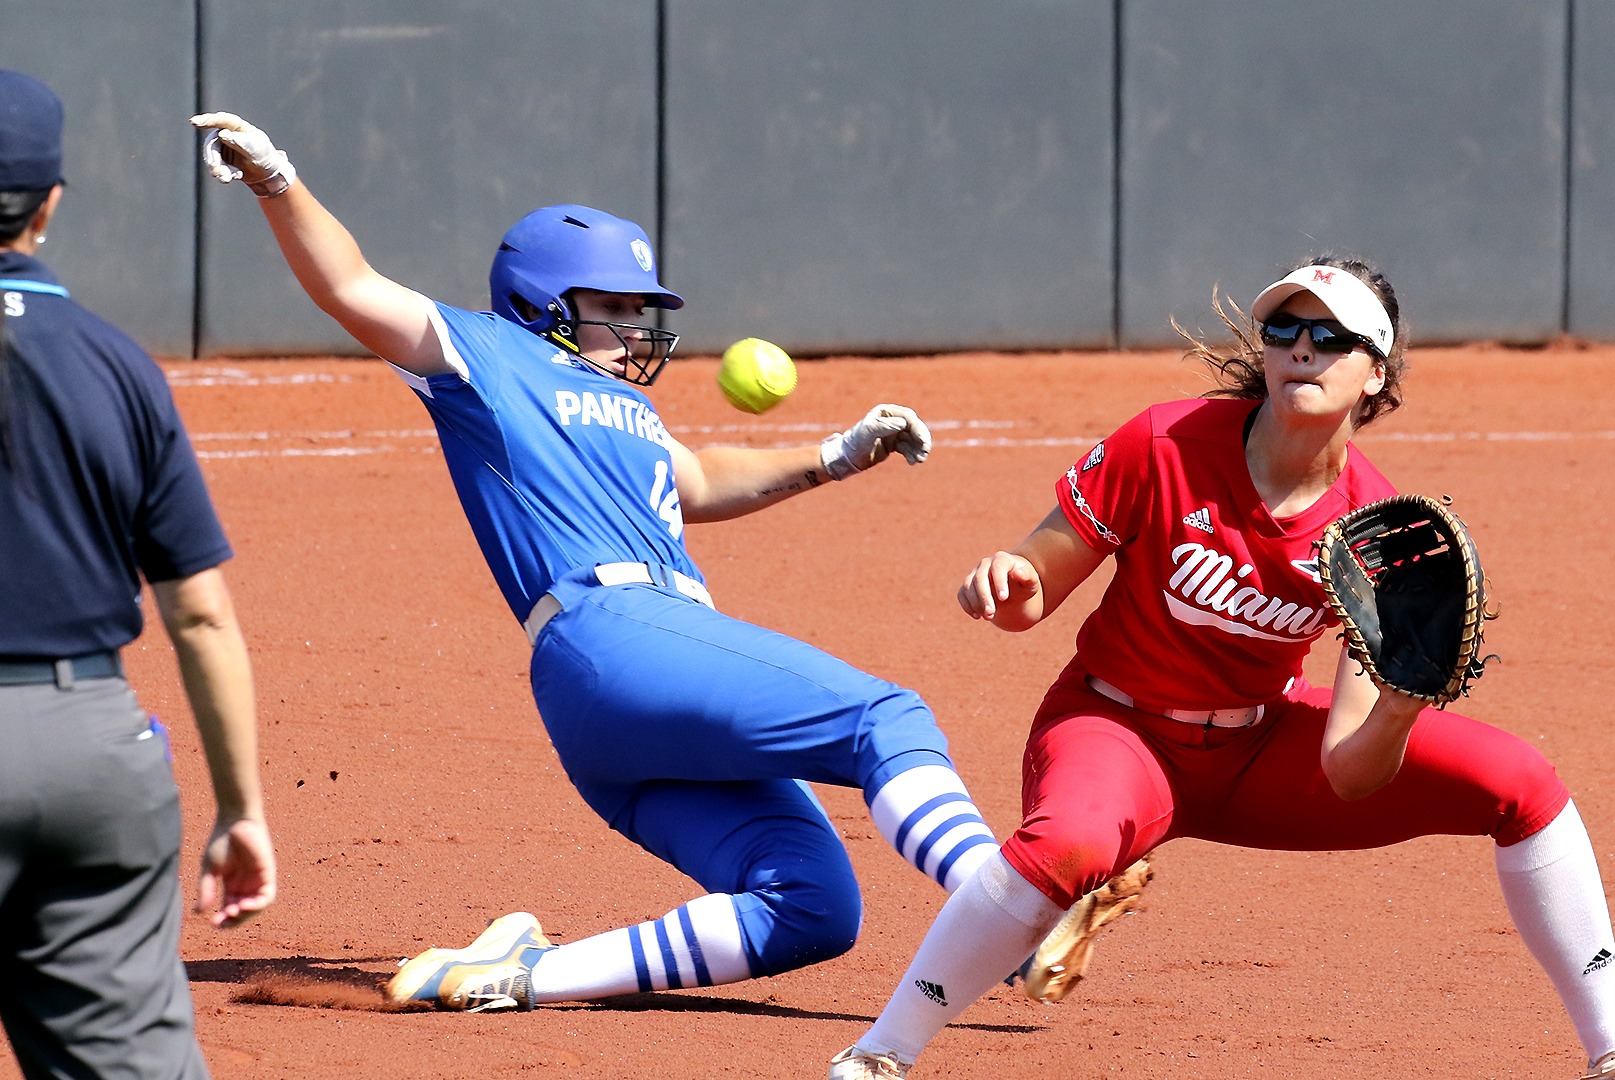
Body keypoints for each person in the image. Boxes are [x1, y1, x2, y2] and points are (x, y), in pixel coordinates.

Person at [188, 109, 1132, 1012]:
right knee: (889, 716)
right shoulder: (484, 355)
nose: (641, 325)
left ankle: (516, 975)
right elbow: (350, 283)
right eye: (618, 306)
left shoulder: (627, 409)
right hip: (615, 637)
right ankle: (1008, 909)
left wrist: (837, 454)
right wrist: (278, 180)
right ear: (547, 306)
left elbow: (697, 477)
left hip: (627, 700)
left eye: (645, 308)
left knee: (811, 906)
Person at [827, 258, 1615, 1079]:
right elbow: (1030, 597)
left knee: (1521, 781)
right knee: (1070, 842)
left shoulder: (1377, 535)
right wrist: (1004, 583)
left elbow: (1351, 773)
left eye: (1332, 336)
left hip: (1255, 748)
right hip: (1114, 727)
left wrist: (1396, 705)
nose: (1303, 348)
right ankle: (881, 1053)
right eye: (1285, 329)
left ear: (1377, 373)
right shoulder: (1163, 442)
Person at [0, 71, 277, 1079]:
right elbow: (199, 615)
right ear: (51, 203)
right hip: (92, 755)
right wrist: (241, 808)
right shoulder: (118, 363)